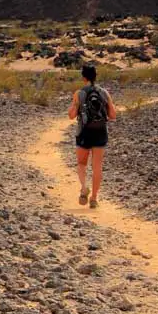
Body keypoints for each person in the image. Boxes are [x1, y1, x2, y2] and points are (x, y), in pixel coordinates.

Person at [68, 64, 116, 208]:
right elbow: (113, 115)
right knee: (97, 167)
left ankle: (84, 188)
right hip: (100, 132)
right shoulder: (104, 92)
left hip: (84, 132)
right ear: (95, 76)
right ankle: (94, 198)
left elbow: (71, 115)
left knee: (81, 163)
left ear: (84, 77)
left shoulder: (79, 93)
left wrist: (76, 106)